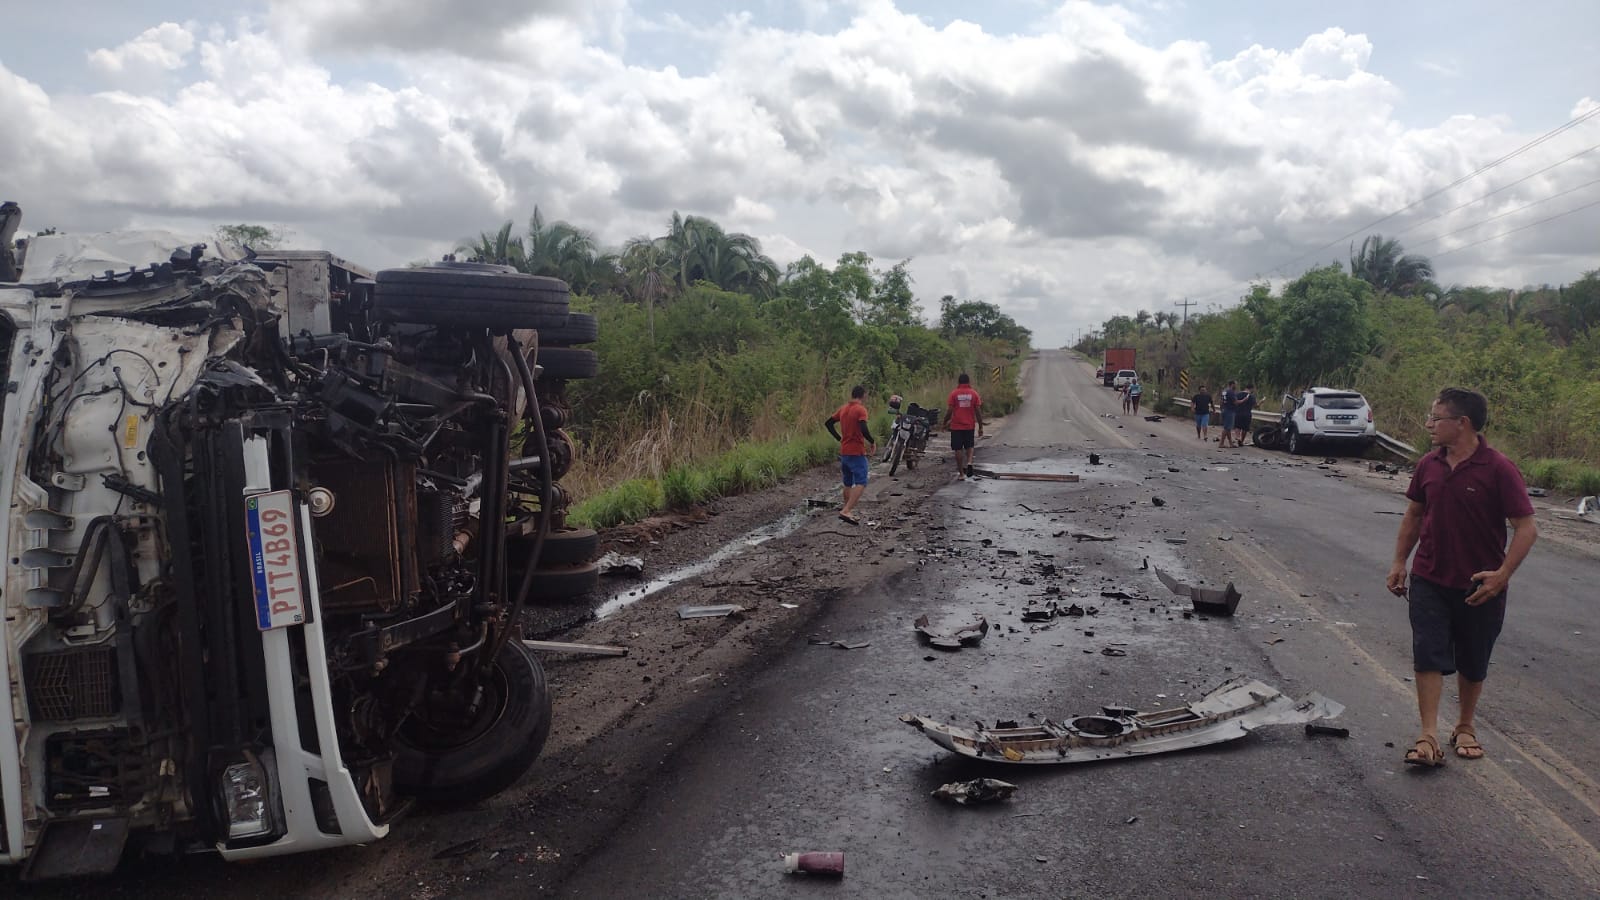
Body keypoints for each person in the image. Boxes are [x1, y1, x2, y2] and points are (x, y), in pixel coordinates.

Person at [1386, 387, 1539, 767]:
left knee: (1474, 659)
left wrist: (1502, 575)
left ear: (1462, 423)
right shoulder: (1428, 464)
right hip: (1429, 577)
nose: (1429, 425)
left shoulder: (1499, 468)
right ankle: (1427, 736)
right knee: (1428, 653)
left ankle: (1465, 726)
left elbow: (1526, 527)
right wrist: (1399, 562)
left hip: (1479, 584)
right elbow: (1414, 516)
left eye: (1436, 418)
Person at [824, 385, 876, 524]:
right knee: (861, 482)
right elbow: (863, 428)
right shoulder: (860, 409)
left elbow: (828, 423)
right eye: (866, 395)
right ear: (863, 395)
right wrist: (872, 441)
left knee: (848, 482)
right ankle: (846, 510)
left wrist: (839, 438)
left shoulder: (843, 408)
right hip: (856, 451)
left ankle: (847, 510)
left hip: (844, 452)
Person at [942, 372, 983, 481]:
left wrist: (945, 421)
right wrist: (981, 426)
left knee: (958, 449)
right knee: (969, 446)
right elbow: (978, 411)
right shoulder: (974, 394)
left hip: (956, 426)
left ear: (958, 382)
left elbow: (950, 410)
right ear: (968, 382)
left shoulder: (954, 394)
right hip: (969, 425)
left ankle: (961, 473)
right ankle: (969, 462)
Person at [1218, 380, 1238, 448]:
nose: (1236, 386)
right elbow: (1235, 402)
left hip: (1224, 409)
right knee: (1226, 428)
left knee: (1228, 428)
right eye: (1235, 384)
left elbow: (1221, 401)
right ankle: (1221, 443)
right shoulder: (1231, 392)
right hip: (1230, 410)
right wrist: (1243, 400)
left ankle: (1230, 443)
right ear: (1232, 384)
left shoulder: (1224, 391)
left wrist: (1221, 409)